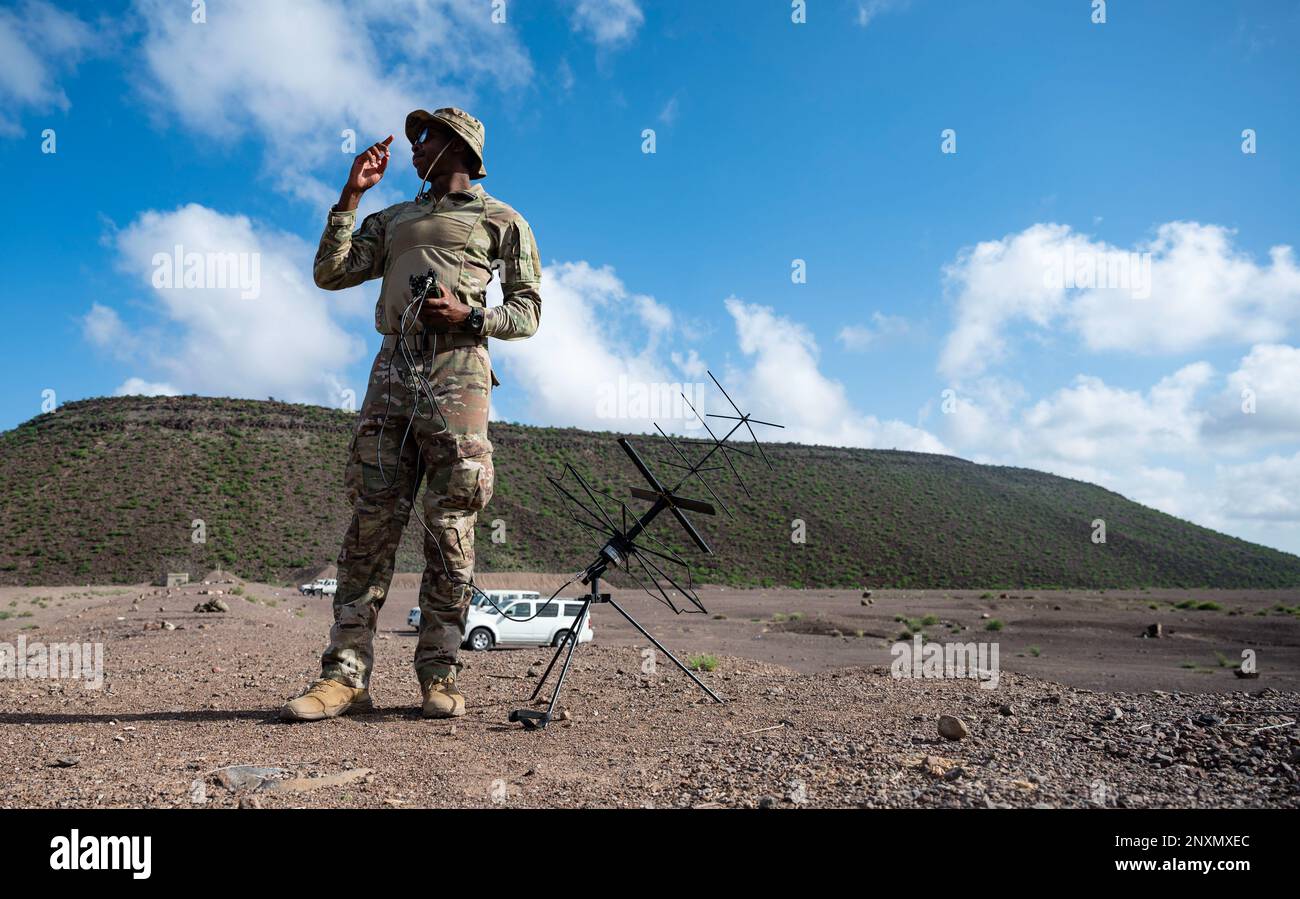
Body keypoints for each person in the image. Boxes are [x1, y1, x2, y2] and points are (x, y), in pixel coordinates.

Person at [280, 107, 541, 721]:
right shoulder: (392, 218)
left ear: (456, 146)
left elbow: (528, 312)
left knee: (450, 528)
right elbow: (330, 273)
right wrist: (350, 196)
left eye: (424, 137)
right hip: (392, 371)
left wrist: (472, 317)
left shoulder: (504, 221)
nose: (414, 147)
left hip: (460, 374)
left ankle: (440, 676)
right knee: (371, 524)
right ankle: (344, 678)